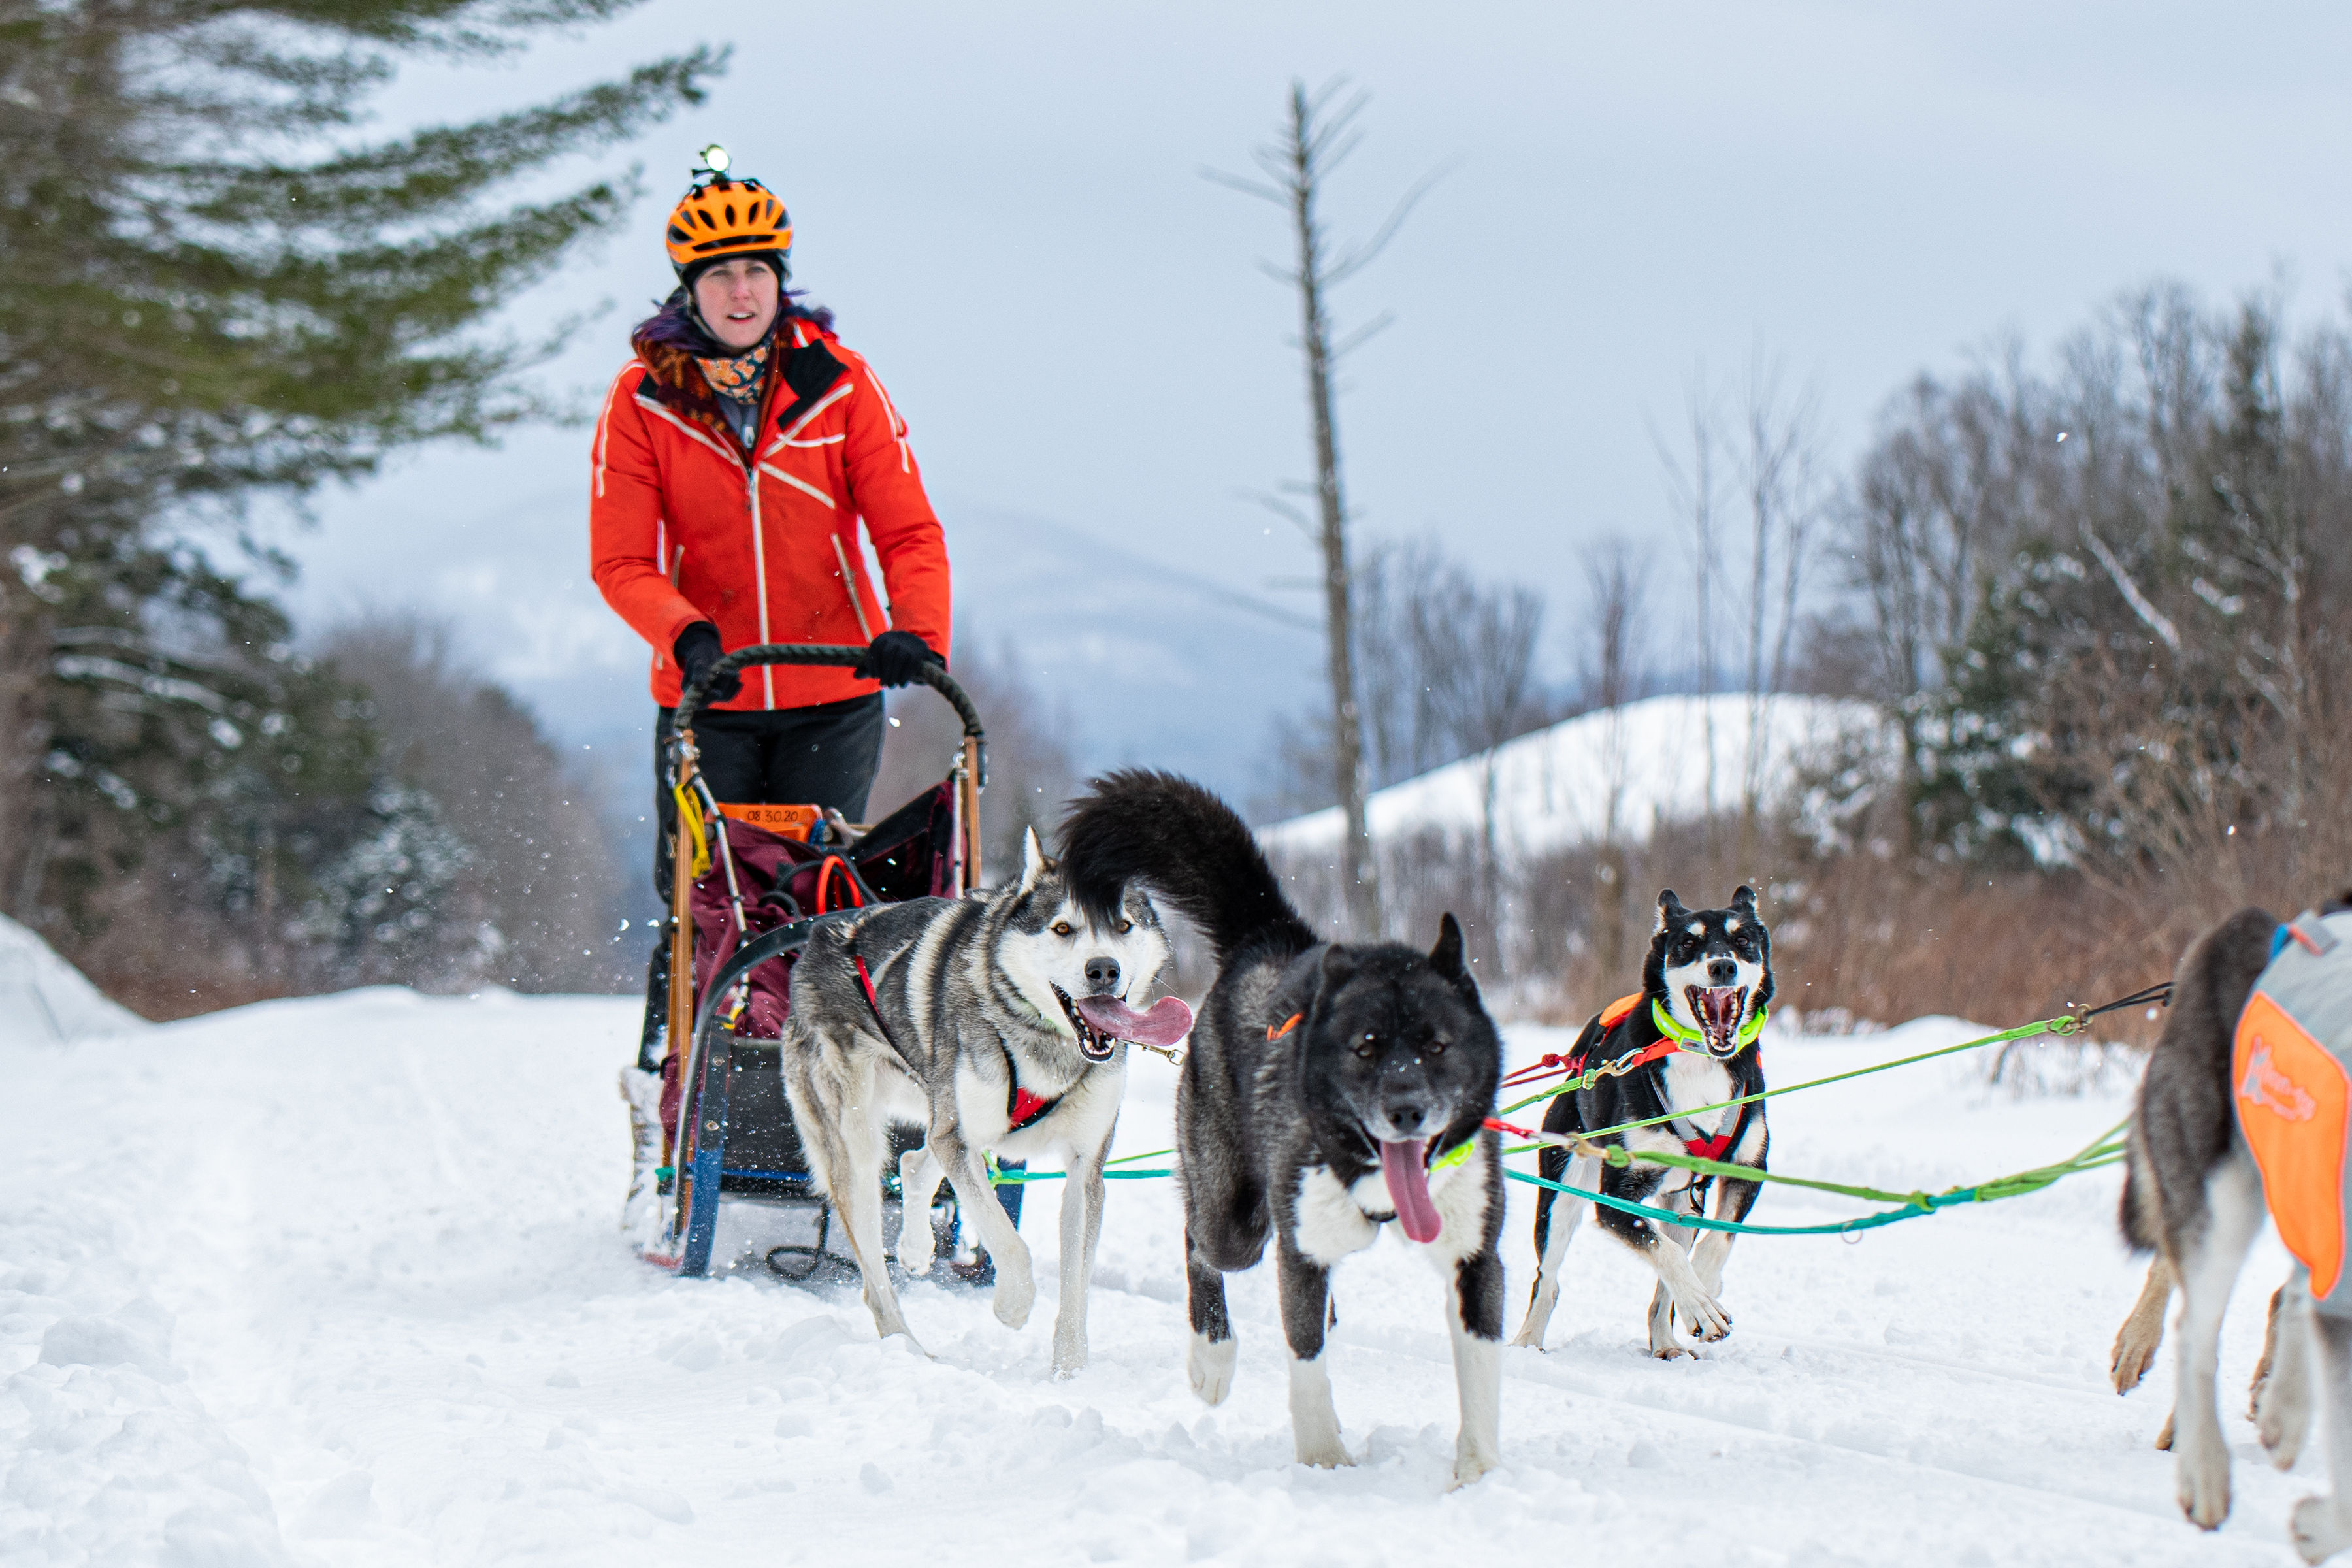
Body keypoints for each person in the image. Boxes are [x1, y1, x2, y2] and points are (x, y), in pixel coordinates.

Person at [590, 146, 952, 1060]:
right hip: (708, 695)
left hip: (833, 695)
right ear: (689, 291)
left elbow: (907, 529)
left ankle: (819, 1090)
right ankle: (675, 1082)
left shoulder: (840, 384)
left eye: (756, 272)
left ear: (780, 283)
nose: (740, 293)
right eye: (720, 277)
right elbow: (621, 560)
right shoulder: (643, 403)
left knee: (820, 899)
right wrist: (685, 632)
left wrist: (915, 632)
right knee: (702, 902)